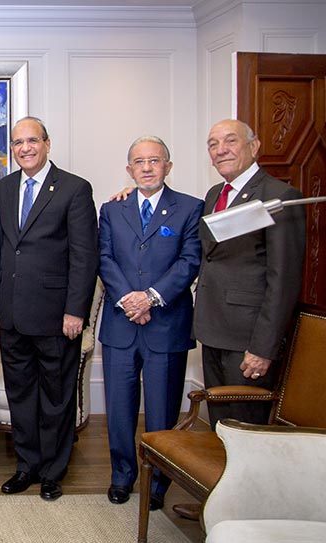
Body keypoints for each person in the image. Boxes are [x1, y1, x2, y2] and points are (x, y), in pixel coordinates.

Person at [0, 117, 98, 501]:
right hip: (12, 315)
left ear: (47, 143)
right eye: (18, 142)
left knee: (56, 398)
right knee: (21, 396)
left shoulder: (74, 188)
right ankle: (27, 466)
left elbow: (85, 256)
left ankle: (54, 471)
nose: (25, 148)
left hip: (57, 316)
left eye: (32, 140)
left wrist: (76, 311)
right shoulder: (4, 188)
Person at [98, 136, 202, 510]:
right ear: (129, 169)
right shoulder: (112, 209)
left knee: (162, 411)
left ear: (167, 167)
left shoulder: (191, 208)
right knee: (119, 410)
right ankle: (122, 476)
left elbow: (190, 261)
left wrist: (151, 297)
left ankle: (158, 482)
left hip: (166, 324)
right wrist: (130, 298)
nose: (146, 167)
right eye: (139, 162)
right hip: (121, 324)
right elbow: (104, 258)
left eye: (154, 160)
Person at [194, 119, 305, 427]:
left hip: (248, 339)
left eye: (230, 141)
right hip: (212, 331)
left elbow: (283, 280)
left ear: (254, 146)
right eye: (213, 144)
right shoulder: (214, 194)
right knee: (221, 425)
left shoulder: (280, 196)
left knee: (246, 429)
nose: (220, 150)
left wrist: (262, 348)